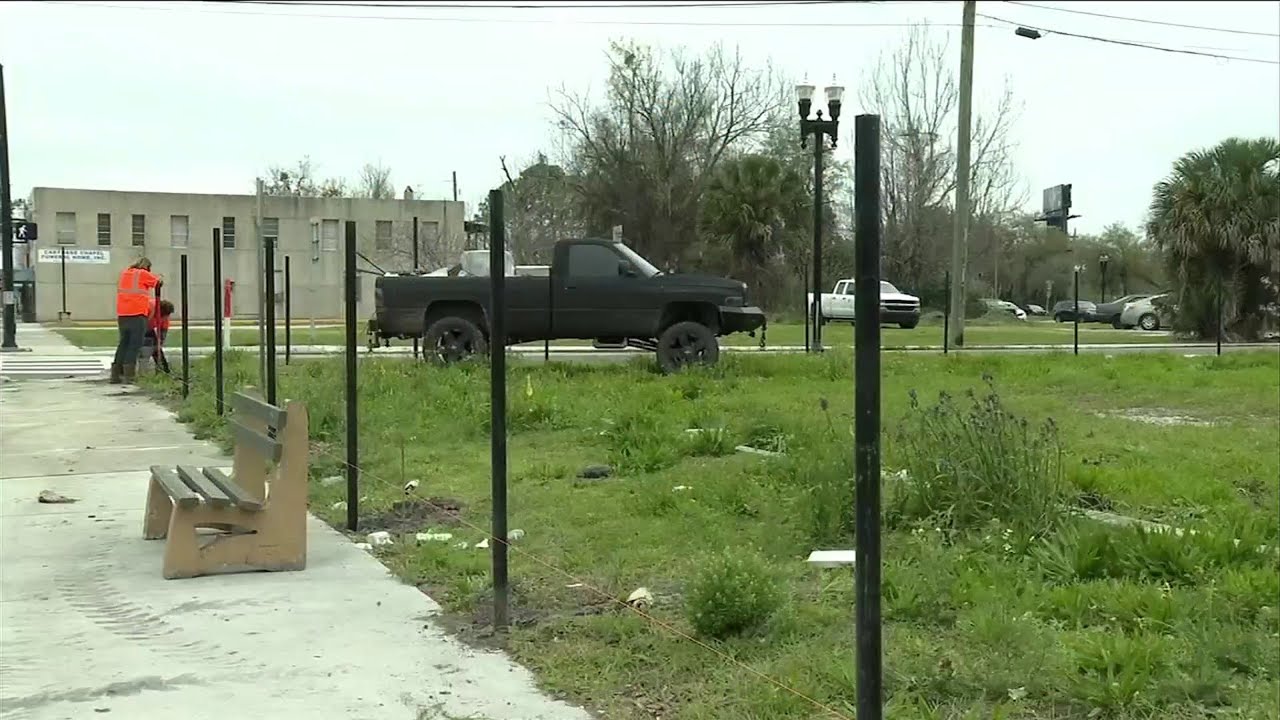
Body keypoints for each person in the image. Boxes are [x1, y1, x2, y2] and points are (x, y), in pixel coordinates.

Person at [111, 257, 161, 384]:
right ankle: (129, 376)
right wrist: (159, 277)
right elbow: (158, 283)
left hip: (123, 314)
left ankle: (115, 375)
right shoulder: (142, 273)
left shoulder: (124, 273)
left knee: (123, 343)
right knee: (134, 345)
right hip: (137, 314)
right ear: (146, 266)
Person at [142, 299, 175, 374]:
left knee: (157, 349)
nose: (165, 318)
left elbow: (163, 331)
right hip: (138, 327)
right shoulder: (148, 308)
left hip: (149, 328)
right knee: (137, 350)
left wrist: (159, 343)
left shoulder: (165, 315)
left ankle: (164, 370)